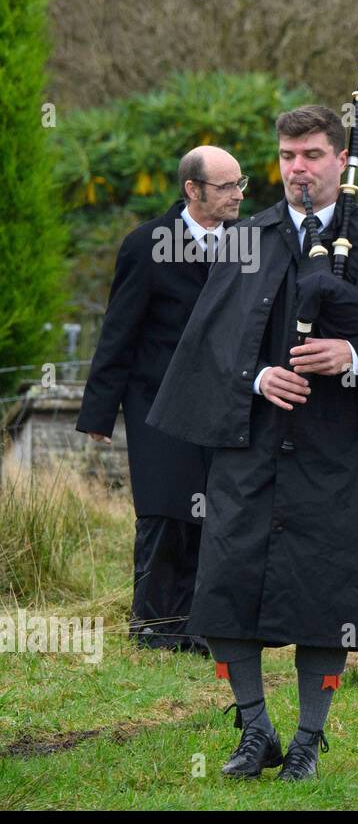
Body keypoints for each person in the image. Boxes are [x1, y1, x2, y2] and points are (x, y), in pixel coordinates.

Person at [147, 105, 358, 780]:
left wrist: (353, 353)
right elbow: (203, 343)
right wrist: (256, 376)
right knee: (228, 587)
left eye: (313, 154)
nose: (299, 169)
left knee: (330, 596)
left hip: (339, 449)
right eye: (288, 156)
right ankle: (255, 730)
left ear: (342, 159)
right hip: (250, 444)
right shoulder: (247, 239)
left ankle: (310, 741)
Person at [77, 145, 245, 654]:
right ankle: (153, 627)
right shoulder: (147, 244)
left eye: (241, 185)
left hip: (225, 402)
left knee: (216, 513)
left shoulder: (249, 243)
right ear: (192, 190)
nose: (238, 195)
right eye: (226, 187)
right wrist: (99, 413)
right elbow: (119, 331)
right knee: (164, 509)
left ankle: (201, 627)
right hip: (156, 402)